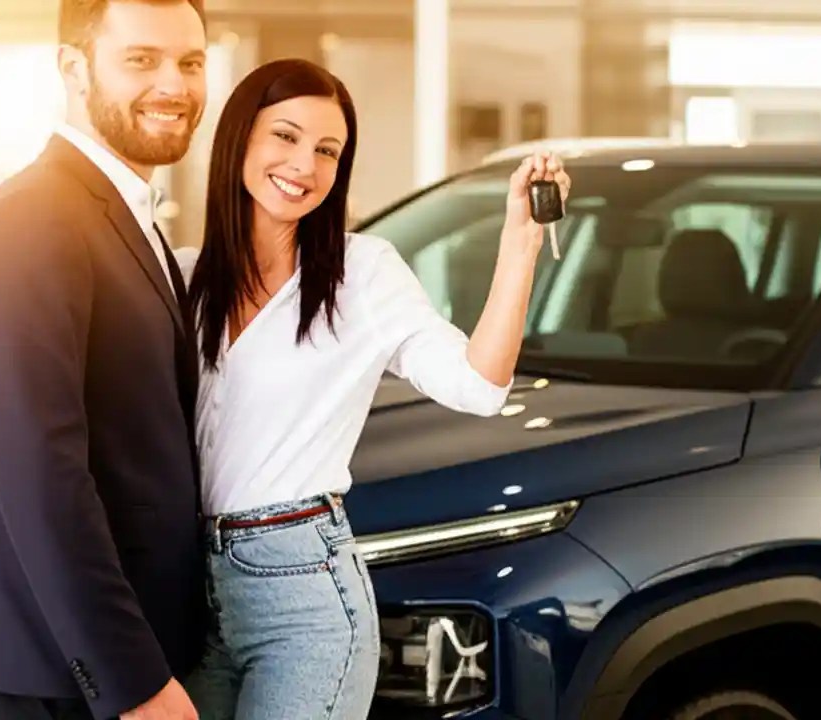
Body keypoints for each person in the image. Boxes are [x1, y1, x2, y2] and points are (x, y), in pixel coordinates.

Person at [179, 59, 570, 720]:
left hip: (304, 595)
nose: (305, 164)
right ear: (239, 138)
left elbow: (479, 385)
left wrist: (520, 241)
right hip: (187, 588)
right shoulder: (181, 276)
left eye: (327, 151)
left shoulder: (361, 275)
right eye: (287, 136)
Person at [0, 1, 210, 718]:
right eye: (141, 60)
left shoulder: (125, 214)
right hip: (73, 673)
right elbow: (41, 477)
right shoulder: (32, 219)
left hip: (136, 650)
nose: (175, 85)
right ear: (72, 67)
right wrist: (132, 681)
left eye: (190, 62)